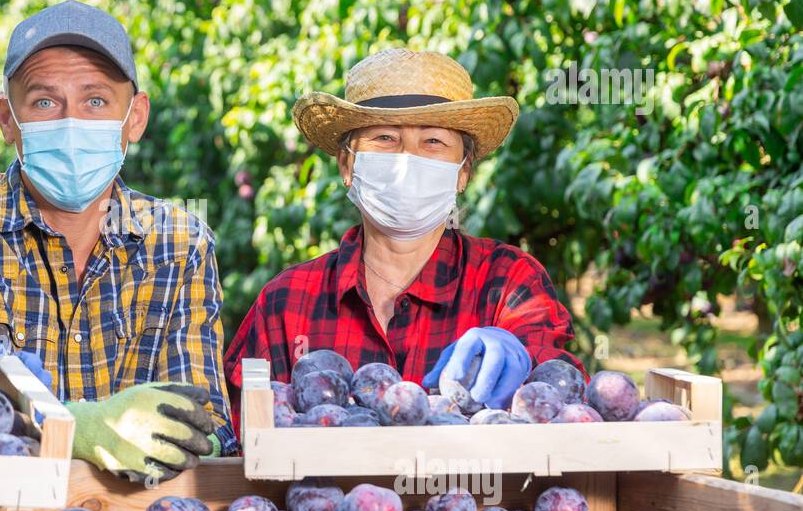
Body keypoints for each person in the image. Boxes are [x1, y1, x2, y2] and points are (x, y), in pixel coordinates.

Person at [0, 0, 230, 482]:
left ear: (135, 116)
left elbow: (203, 420)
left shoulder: (178, 244)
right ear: (9, 118)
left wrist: (201, 437)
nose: (72, 123)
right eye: (45, 102)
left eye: (96, 101)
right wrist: (83, 427)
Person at [224, 47, 584, 430]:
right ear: (347, 165)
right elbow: (239, 438)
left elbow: (563, 403)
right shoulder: (287, 301)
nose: (407, 160)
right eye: (385, 138)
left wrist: (525, 359)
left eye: (433, 142)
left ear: (463, 173)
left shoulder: (509, 283)